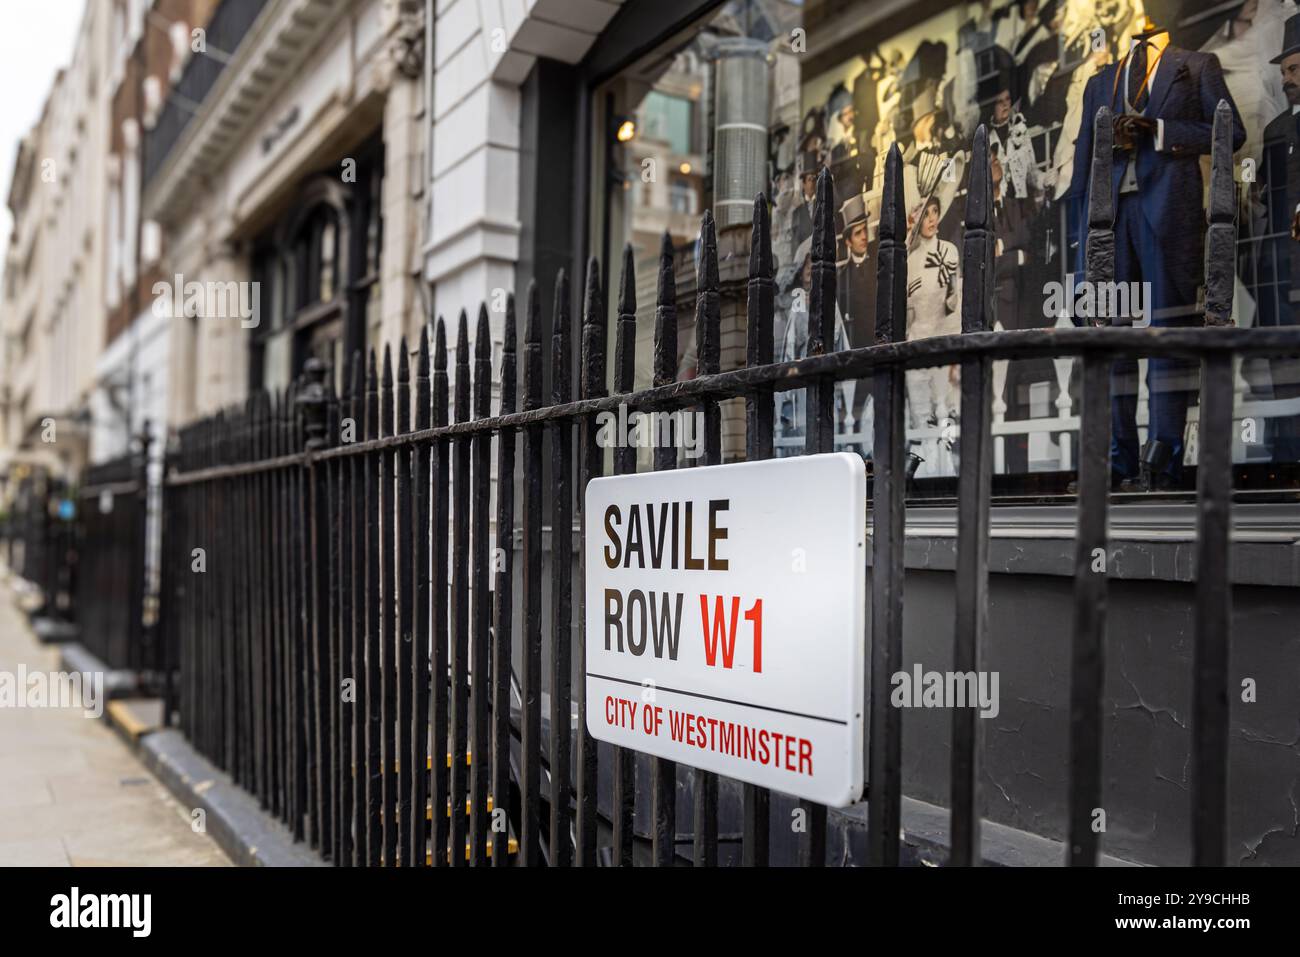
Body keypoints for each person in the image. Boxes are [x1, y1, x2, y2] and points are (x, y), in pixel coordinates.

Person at [1068, 20, 1246, 490]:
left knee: (1168, 337)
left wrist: (1160, 129)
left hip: (1168, 216)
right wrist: (1079, 239)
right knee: (1111, 344)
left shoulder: (1197, 65)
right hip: (1109, 224)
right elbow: (1084, 162)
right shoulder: (1100, 82)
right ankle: (1117, 461)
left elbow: (1231, 132)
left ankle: (1162, 461)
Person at [1257, 11, 1300, 460]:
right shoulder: (1275, 131)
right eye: (1284, 71)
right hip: (1281, 267)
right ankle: (1286, 453)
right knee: (1280, 361)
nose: (1287, 80)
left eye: (1294, 69)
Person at [905, 187, 962, 474]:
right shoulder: (908, 260)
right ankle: (923, 476)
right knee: (920, 417)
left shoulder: (949, 251)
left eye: (935, 212)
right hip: (916, 347)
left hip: (941, 345)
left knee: (944, 415)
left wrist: (954, 353)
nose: (931, 219)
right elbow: (905, 315)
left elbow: (955, 307)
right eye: (925, 214)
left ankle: (945, 474)